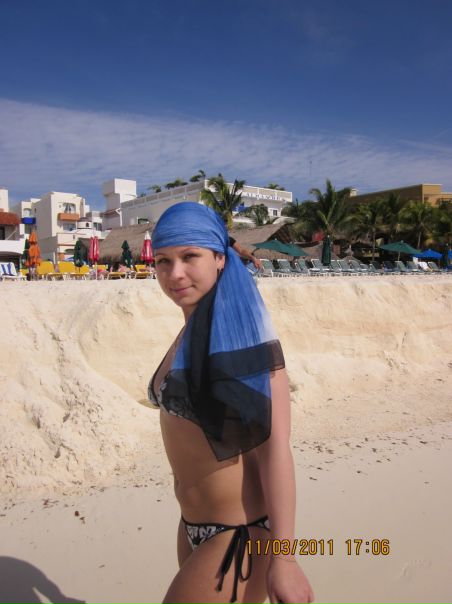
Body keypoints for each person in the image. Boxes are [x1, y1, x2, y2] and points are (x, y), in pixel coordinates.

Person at [149, 202, 314, 604]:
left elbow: (275, 450)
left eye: (190, 257)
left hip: (237, 535)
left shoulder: (243, 341)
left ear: (220, 258)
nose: (175, 273)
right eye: (163, 261)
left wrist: (285, 559)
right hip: (192, 527)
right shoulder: (190, 332)